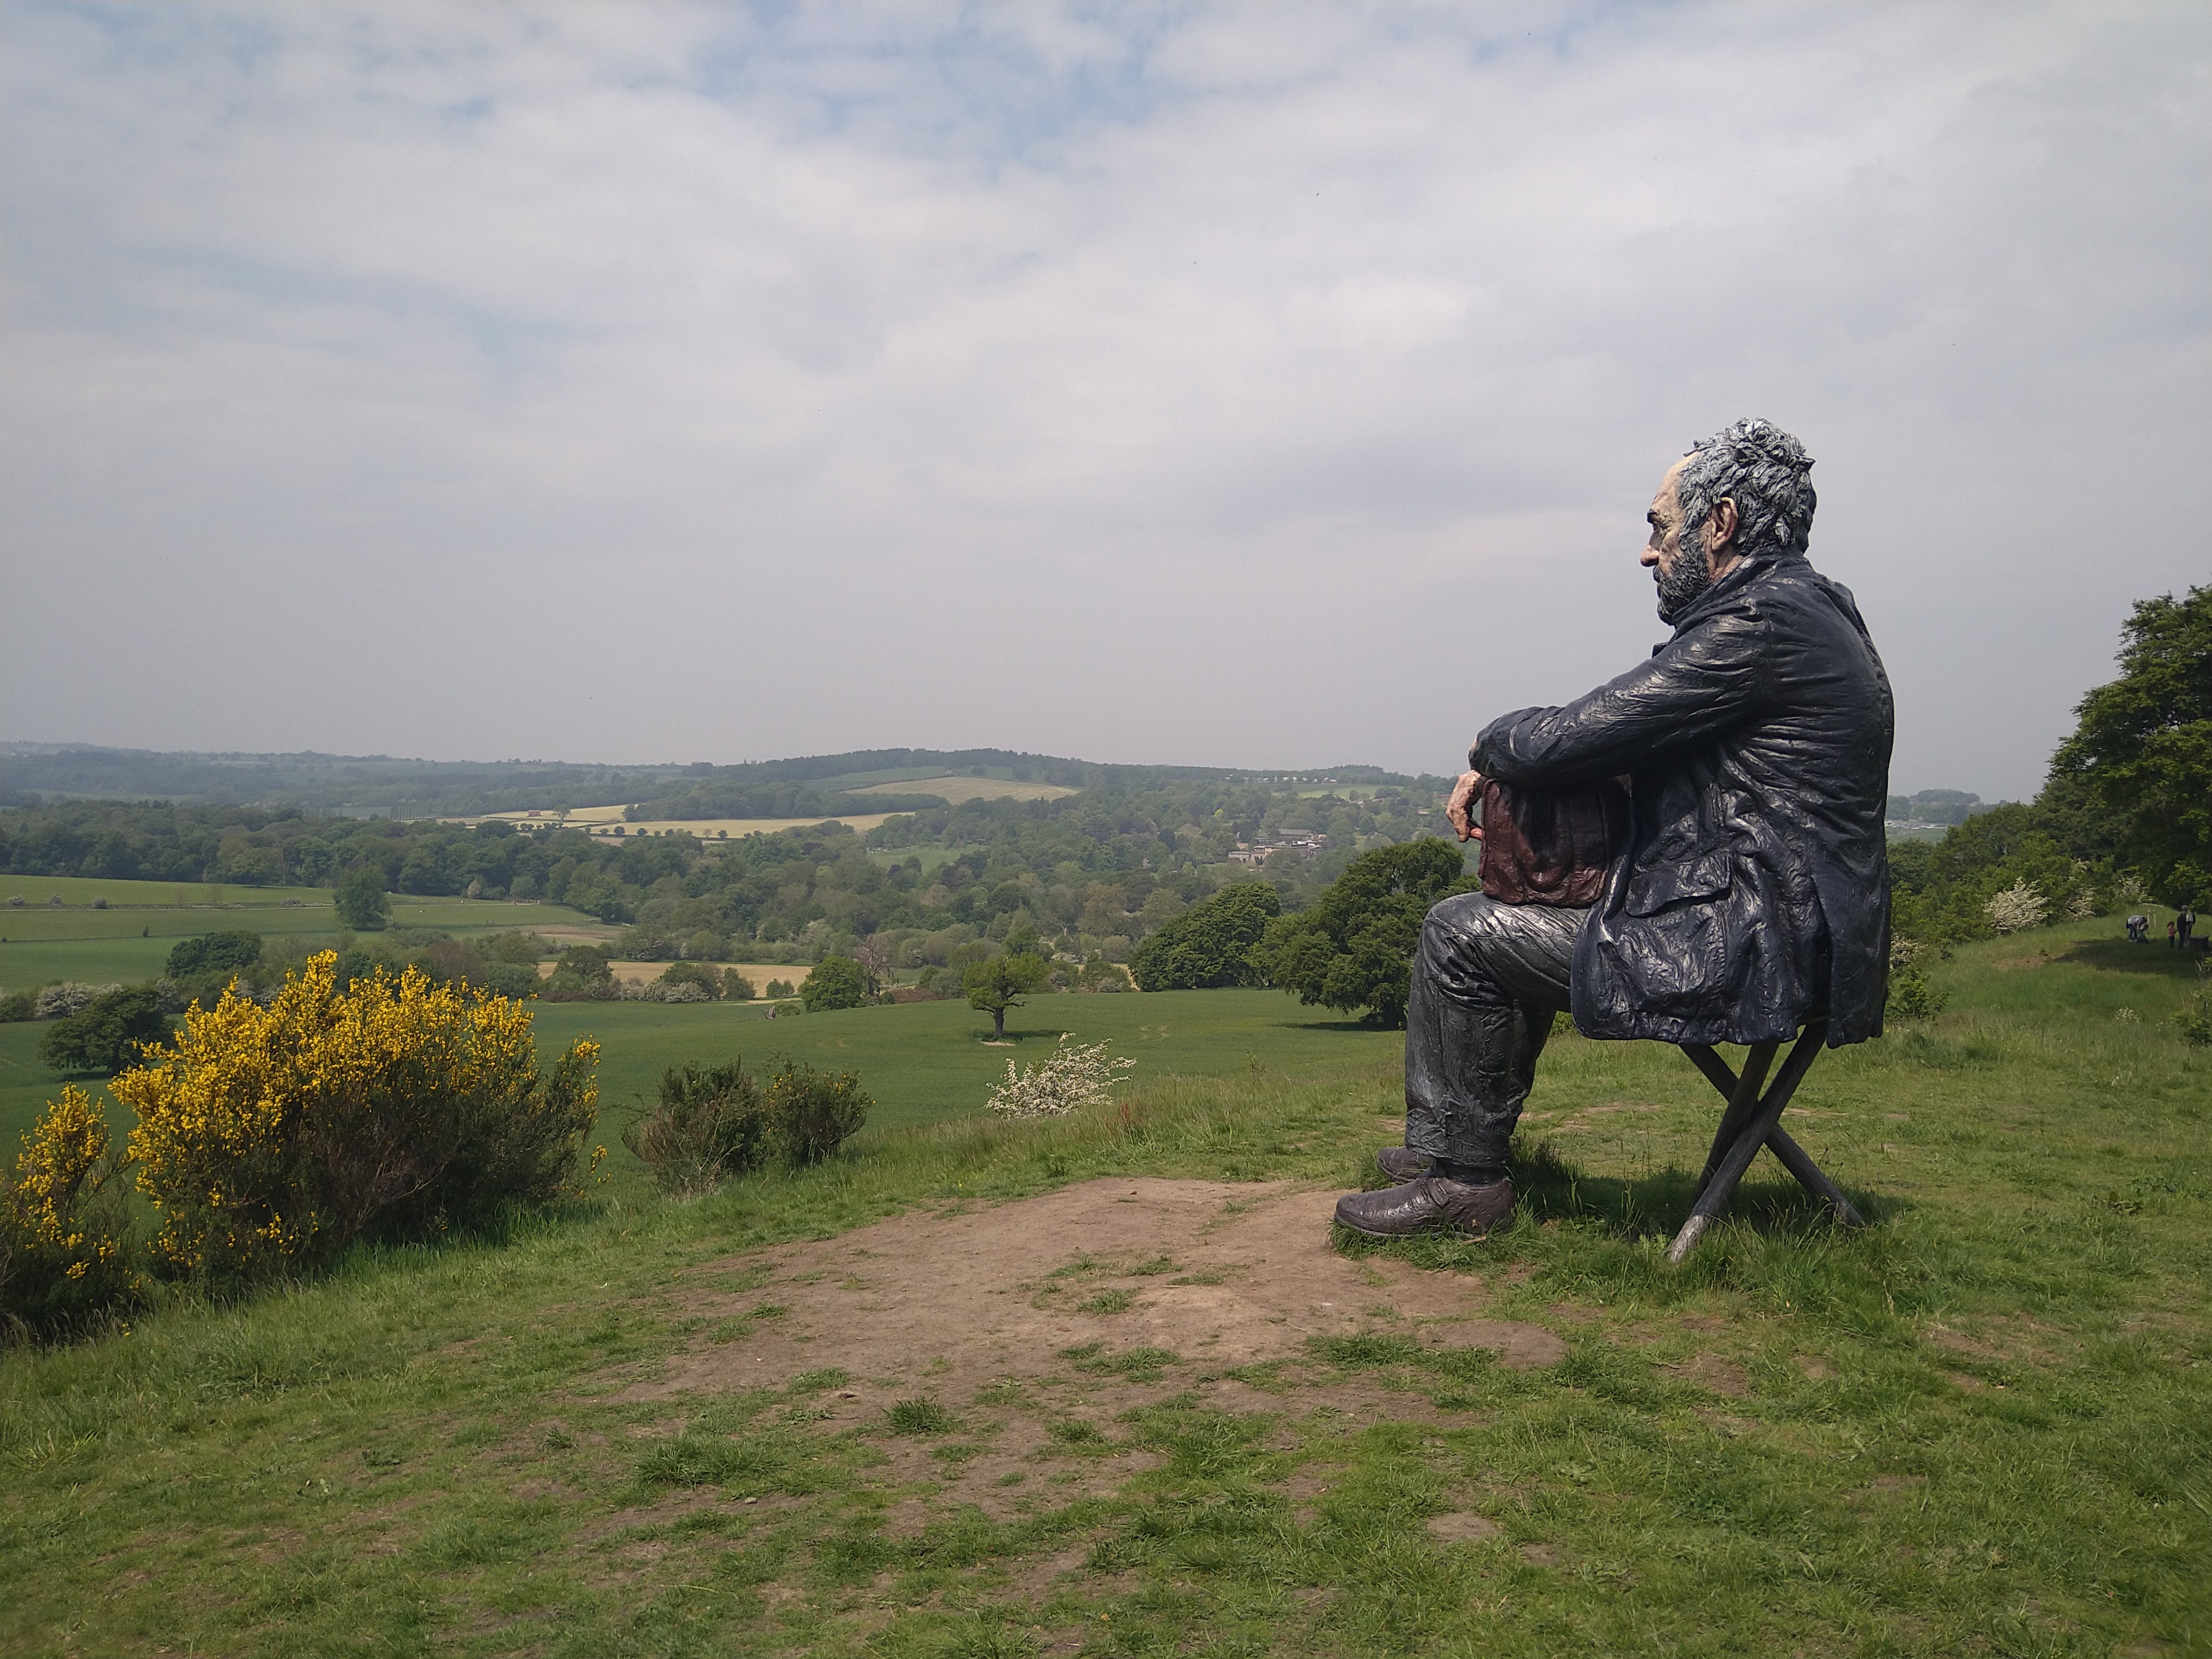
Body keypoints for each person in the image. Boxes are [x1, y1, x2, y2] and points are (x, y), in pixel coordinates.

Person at [1337, 420, 1893, 1238]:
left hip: (1749, 944)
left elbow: (1579, 732)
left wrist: (1491, 747)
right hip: (1799, 935)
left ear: (1721, 523)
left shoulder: (1760, 625)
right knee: (1510, 925)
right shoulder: (1811, 610)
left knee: (1460, 933)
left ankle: (1466, 1183)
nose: (1647, 552)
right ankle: (1445, 1148)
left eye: (1659, 526)